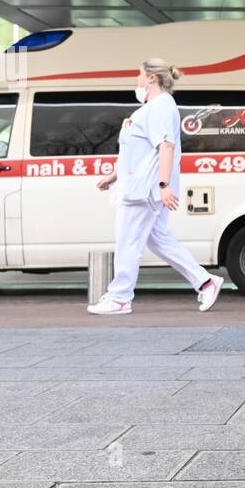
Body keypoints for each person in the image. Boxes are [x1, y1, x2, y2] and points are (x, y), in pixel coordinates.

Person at [87, 58, 222, 315]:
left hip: (143, 191)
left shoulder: (159, 108)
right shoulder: (155, 108)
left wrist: (162, 185)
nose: (136, 80)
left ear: (151, 78)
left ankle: (120, 297)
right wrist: (114, 175)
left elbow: (166, 147)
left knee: (128, 242)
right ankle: (205, 281)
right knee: (158, 239)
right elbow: (139, 152)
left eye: (139, 75)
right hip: (142, 186)